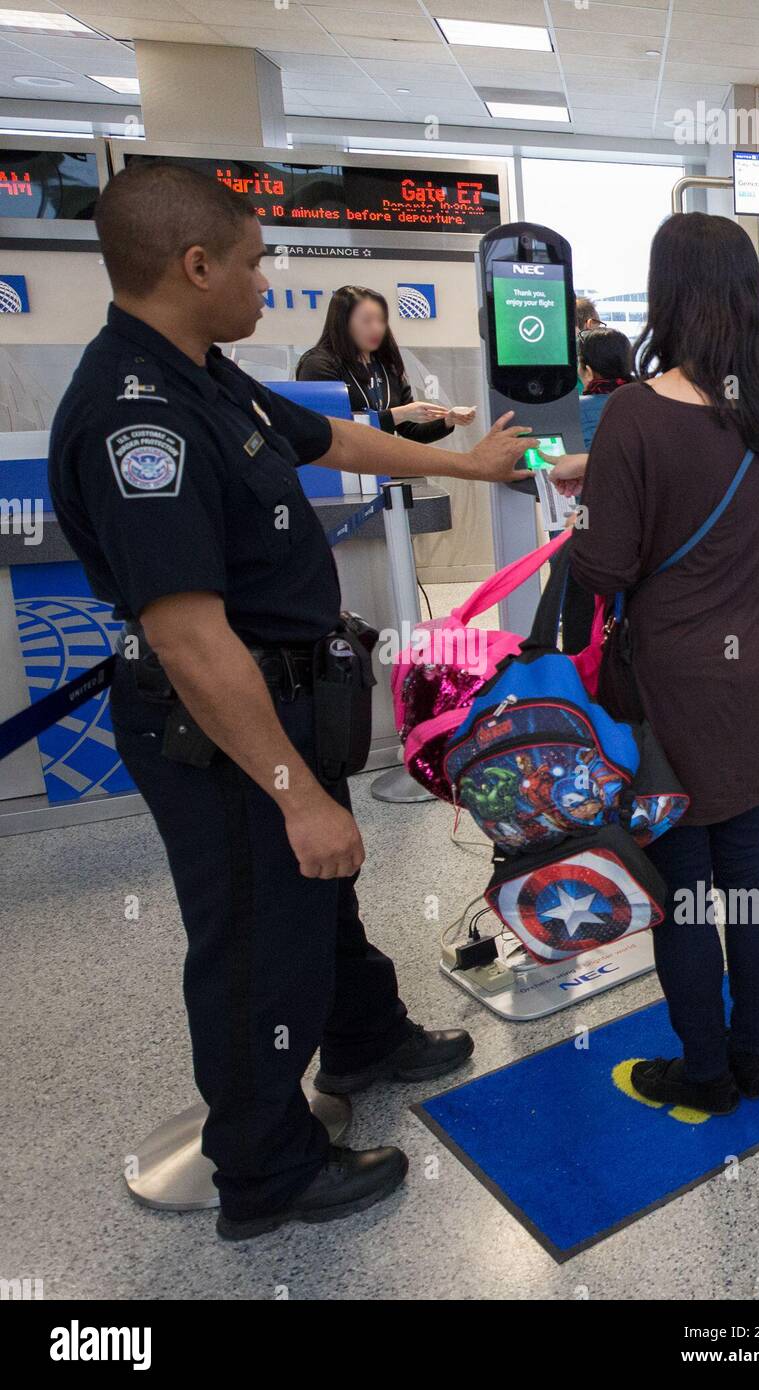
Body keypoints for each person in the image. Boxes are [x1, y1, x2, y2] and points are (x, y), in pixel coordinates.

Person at [48, 162, 535, 1241]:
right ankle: (264, 1170)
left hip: (287, 709)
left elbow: (332, 441)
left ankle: (361, 1037)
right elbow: (186, 633)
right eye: (258, 260)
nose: (267, 279)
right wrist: (291, 789)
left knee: (321, 890)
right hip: (226, 733)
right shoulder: (140, 420)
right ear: (196, 263)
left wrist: (467, 466)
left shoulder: (207, 375)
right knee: (257, 935)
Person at [551, 211, 759, 1115]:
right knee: (750, 858)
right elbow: (710, 481)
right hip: (750, 664)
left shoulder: (634, 412)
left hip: (665, 679)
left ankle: (704, 1071)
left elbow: (607, 565)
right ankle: (755, 1055)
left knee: (683, 879)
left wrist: (588, 501)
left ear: (669, 294)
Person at [297, 284, 475, 442]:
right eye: (367, 321)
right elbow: (331, 429)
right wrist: (399, 414)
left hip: (380, 470)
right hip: (339, 474)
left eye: (381, 321)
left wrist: (448, 419)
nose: (376, 328)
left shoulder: (385, 365)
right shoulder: (319, 364)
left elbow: (410, 429)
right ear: (342, 323)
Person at [559, 328, 634, 654]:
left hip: (584, 525)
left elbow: (555, 465)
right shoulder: (645, 404)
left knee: (580, 611)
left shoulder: (574, 409)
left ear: (587, 369)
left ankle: (581, 678)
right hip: (637, 530)